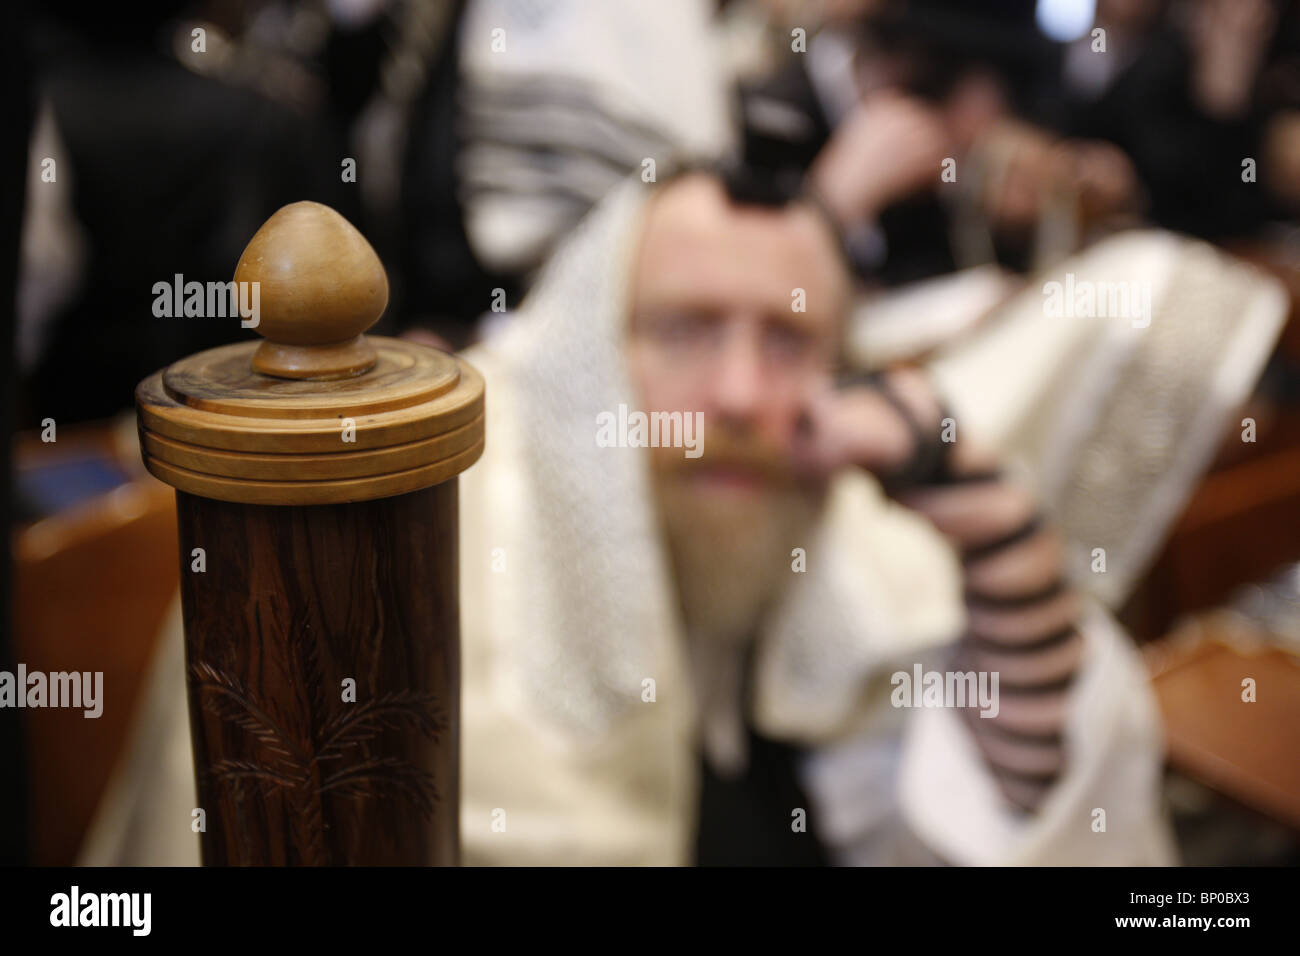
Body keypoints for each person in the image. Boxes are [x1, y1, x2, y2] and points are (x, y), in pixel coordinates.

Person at [83, 163, 1174, 866]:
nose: (744, 396)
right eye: (686, 330)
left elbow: (1014, 808)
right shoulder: (388, 555)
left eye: (789, 339)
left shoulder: (823, 536)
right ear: (588, 356)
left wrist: (973, 504)